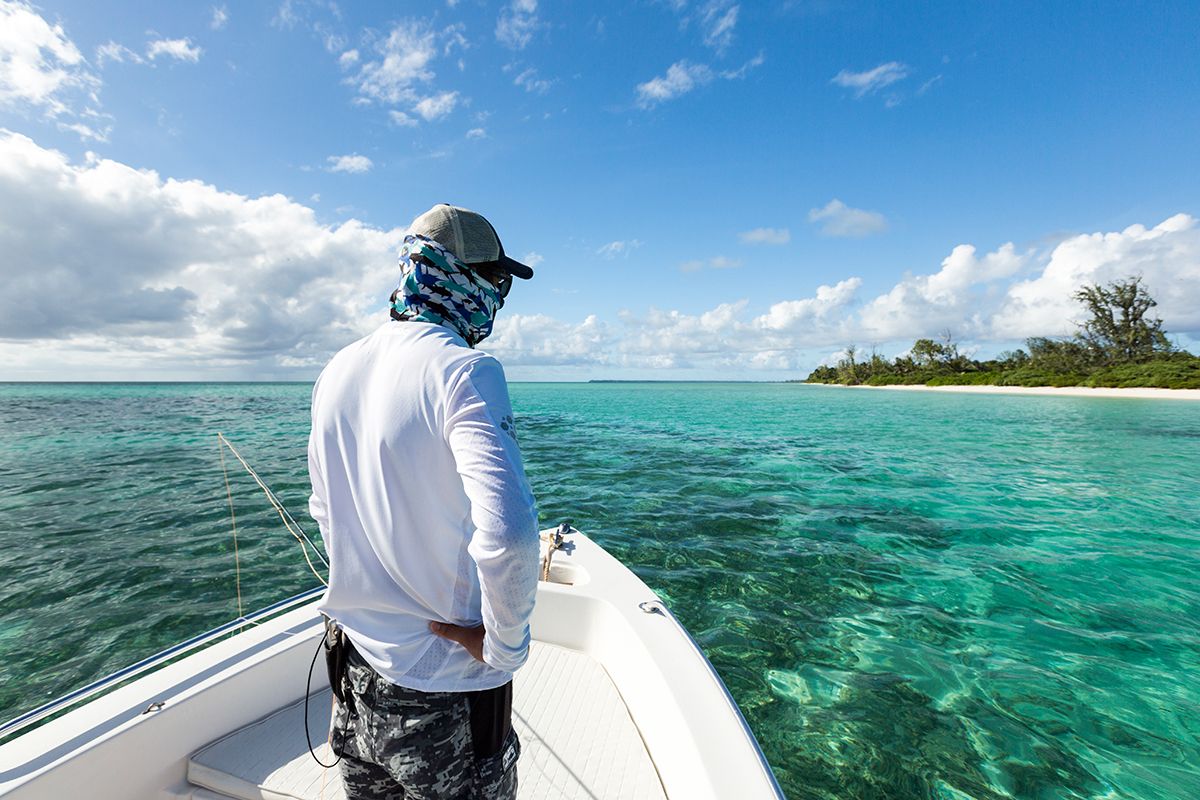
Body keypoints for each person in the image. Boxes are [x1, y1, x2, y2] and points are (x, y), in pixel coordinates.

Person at [307, 203, 540, 799]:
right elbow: (510, 534)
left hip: (353, 670)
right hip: (445, 690)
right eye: (496, 280)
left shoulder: (338, 369)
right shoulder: (466, 370)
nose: (499, 296)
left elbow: (325, 510)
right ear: (463, 277)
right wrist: (503, 649)